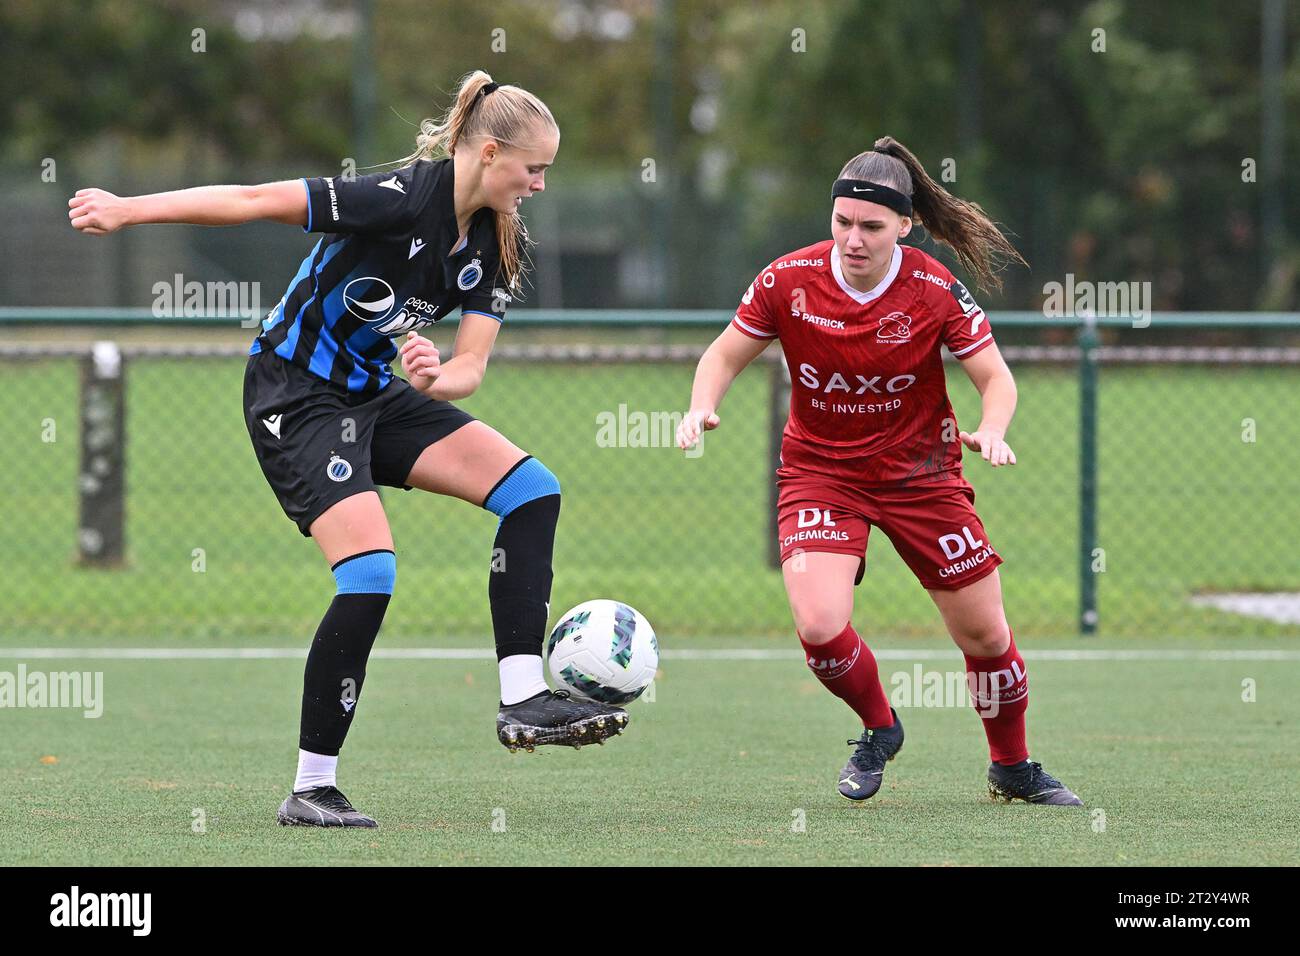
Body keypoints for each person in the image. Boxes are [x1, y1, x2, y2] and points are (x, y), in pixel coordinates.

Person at [68, 70, 628, 829]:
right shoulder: (394, 198)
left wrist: (436, 379)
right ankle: (312, 786)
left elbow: (469, 367)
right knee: (370, 571)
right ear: (490, 152)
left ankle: (523, 695)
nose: (538, 184)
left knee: (532, 490)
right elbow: (251, 200)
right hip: (294, 394)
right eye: (534, 169)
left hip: (369, 393)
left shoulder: (497, 238)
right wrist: (127, 210)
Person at [677, 136, 1081, 806]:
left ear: (904, 224)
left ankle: (1011, 765)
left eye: (870, 226)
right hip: (820, 473)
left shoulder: (932, 287)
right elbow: (721, 356)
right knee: (819, 623)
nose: (852, 239)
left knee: (985, 633)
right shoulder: (786, 281)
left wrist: (993, 428)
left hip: (921, 474)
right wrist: (700, 408)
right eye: (841, 222)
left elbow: (995, 378)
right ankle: (880, 728)